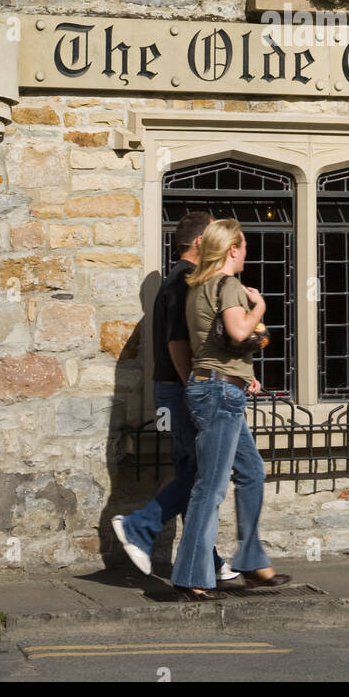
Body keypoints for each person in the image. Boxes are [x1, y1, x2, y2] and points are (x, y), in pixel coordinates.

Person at [111, 211, 236, 580]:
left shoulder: (178, 278)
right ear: (200, 243)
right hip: (182, 389)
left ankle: (204, 559)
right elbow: (178, 343)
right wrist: (195, 389)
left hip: (175, 389)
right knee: (203, 475)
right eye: (213, 237)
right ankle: (139, 526)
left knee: (197, 473)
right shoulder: (184, 281)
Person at [171, 217, 291, 600]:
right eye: (243, 247)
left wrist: (242, 375)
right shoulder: (229, 285)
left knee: (252, 471)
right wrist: (260, 306)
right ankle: (192, 576)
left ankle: (252, 560)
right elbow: (240, 333)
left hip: (215, 386)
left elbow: (213, 344)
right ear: (232, 249)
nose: (245, 254)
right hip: (220, 394)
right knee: (210, 487)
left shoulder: (200, 286)